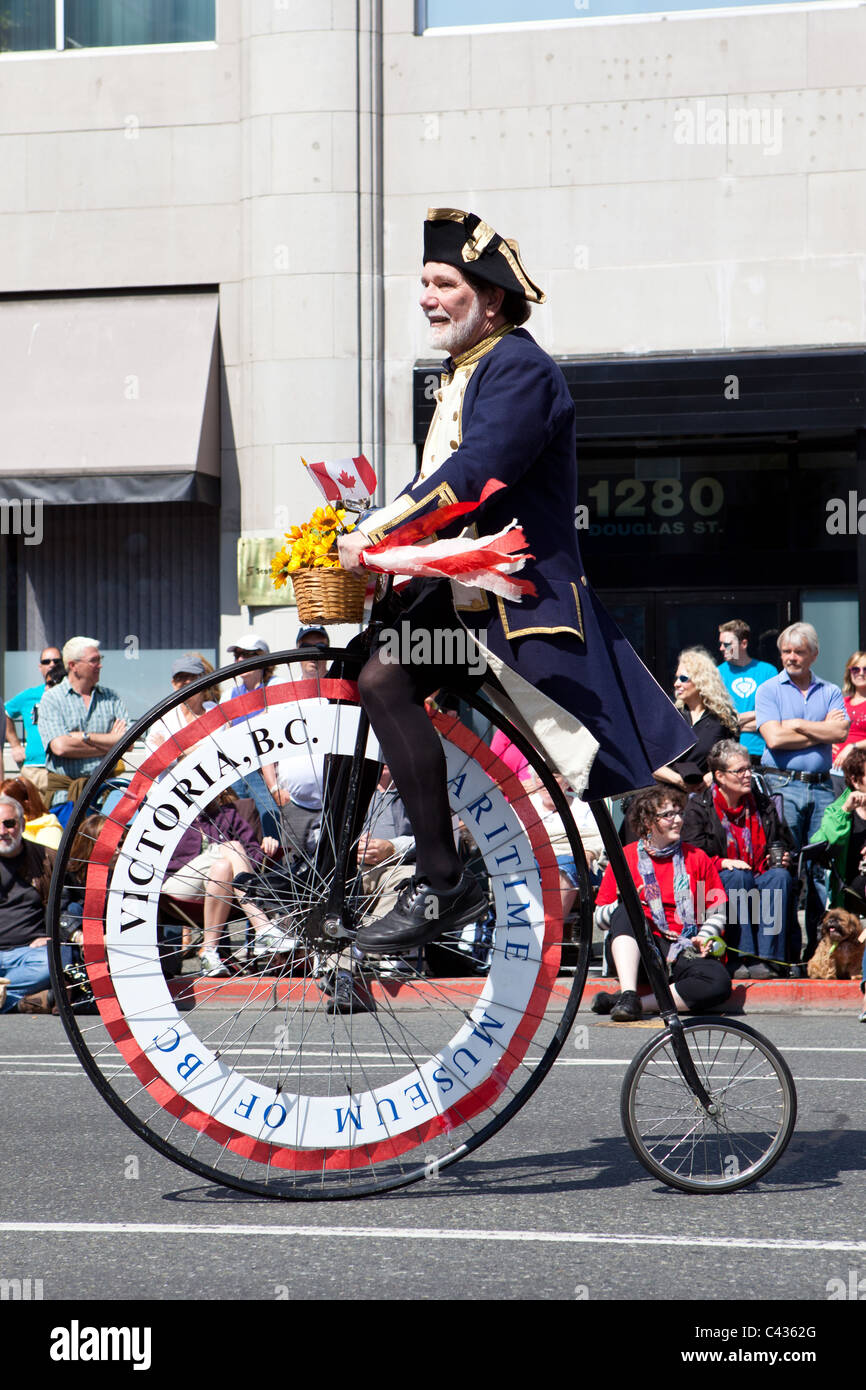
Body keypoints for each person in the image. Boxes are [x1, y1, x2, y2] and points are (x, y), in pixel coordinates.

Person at [336, 206, 693, 955]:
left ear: (490, 298)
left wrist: (383, 534)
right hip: (460, 596)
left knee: (384, 679)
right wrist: (378, 536)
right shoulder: (468, 368)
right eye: (424, 284)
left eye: (443, 284)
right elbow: (438, 483)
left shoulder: (520, 368)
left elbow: (474, 480)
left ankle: (443, 882)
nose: (427, 298)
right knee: (364, 675)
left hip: (511, 605)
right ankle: (356, 870)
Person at [591, 786, 730, 1023]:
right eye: (668, 815)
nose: (677, 820)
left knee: (718, 982)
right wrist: (624, 903)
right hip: (638, 949)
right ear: (647, 821)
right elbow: (600, 919)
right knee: (627, 909)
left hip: (682, 944)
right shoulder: (625, 857)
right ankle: (628, 992)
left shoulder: (696, 857)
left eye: (679, 813)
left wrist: (704, 937)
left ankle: (632, 1004)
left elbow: (717, 912)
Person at [755, 621, 848, 954]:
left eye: (798, 651)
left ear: (814, 655)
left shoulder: (831, 691)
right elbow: (774, 738)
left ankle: (818, 953)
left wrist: (794, 723)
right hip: (782, 785)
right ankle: (784, 952)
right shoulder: (768, 690)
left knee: (821, 870)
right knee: (786, 868)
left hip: (822, 788)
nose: (791, 657)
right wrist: (818, 729)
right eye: (786, 651)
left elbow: (840, 735)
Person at [680, 740, 795, 975]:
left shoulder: (762, 804)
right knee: (737, 876)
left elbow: (783, 841)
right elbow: (691, 855)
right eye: (740, 771)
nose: (748, 775)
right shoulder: (699, 808)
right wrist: (721, 862)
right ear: (720, 776)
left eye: (749, 769)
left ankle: (769, 957)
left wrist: (783, 857)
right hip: (714, 884)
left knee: (779, 876)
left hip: (758, 874)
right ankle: (739, 956)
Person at [161, 790, 279, 976]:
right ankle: (263, 926)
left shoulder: (228, 814)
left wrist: (267, 847)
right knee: (232, 847)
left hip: (218, 891)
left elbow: (254, 855)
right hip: (177, 888)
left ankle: (209, 953)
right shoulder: (169, 818)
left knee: (223, 866)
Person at [37, 637, 130, 800]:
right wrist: (111, 745)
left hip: (106, 795)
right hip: (66, 796)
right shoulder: (52, 699)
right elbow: (60, 747)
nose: (100, 665)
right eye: (94, 661)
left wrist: (85, 737)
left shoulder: (111, 697)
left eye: (100, 659)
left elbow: (128, 742)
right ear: (73, 666)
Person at [0, 794, 57, 1014]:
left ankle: (5, 997)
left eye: (9, 823)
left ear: (22, 825)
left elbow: (67, 904)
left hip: (29, 954)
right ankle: (22, 1002)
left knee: (50, 964)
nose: (3, 831)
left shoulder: (47, 859)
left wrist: (53, 935)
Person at [654, 646, 739, 790]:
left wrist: (711, 776)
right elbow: (650, 761)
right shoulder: (670, 715)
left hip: (705, 796)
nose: (676, 683)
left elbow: (731, 760)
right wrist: (678, 780)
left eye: (683, 678)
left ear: (702, 681)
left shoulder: (723, 719)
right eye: (676, 678)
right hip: (666, 796)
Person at [222, 635, 280, 839]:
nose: (239, 660)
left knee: (271, 827)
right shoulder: (229, 694)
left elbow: (274, 722)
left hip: (266, 771)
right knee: (240, 827)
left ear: (262, 659)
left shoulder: (276, 685)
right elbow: (222, 735)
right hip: (236, 769)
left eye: (246, 655)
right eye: (237, 655)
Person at [3, 647, 65, 799]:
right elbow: (5, 714)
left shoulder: (70, 695)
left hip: (62, 769)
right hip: (34, 768)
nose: (51, 664)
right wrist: (15, 745)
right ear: (40, 667)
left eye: (56, 661)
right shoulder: (29, 695)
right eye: (46, 661)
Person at [717, 620, 778, 763]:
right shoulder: (717, 674)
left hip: (762, 750)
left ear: (743, 644)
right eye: (720, 643)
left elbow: (776, 713)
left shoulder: (768, 671)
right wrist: (760, 718)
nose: (721, 648)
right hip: (729, 753)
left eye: (726, 644)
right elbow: (718, 720)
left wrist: (735, 724)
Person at [144, 654, 217, 755]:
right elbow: (152, 756)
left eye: (192, 676)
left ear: (203, 680)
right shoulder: (163, 717)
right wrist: (196, 750)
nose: (187, 681)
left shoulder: (215, 711)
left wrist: (170, 750)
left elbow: (217, 750)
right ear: (173, 683)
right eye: (181, 677)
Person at [0, 776, 64, 851]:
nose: (2, 831)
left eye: (8, 802)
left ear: (26, 803)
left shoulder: (49, 828)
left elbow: (49, 860)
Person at [832, 651, 866, 768]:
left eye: (865, 669)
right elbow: (829, 729)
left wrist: (852, 746)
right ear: (850, 673)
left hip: (859, 770)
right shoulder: (841, 702)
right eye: (856, 669)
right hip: (833, 770)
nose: (861, 673)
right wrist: (828, 743)